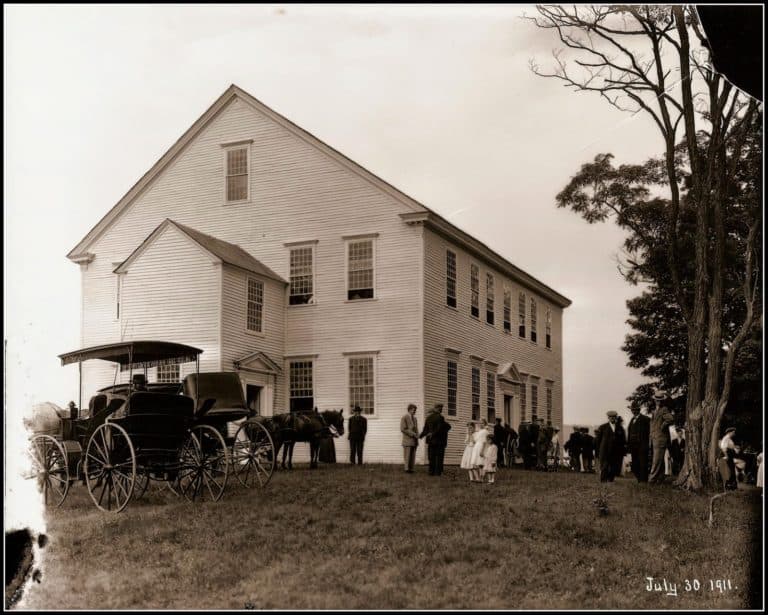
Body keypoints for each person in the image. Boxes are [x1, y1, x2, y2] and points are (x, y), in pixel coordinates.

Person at [648, 390, 676, 484]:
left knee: (656, 460)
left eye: (660, 400)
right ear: (654, 400)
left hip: (660, 439)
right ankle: (659, 479)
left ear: (662, 401)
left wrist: (663, 425)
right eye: (656, 400)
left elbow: (671, 419)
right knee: (658, 460)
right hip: (655, 439)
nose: (658, 402)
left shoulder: (664, 409)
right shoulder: (654, 411)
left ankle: (651, 480)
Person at [419, 403, 451, 476]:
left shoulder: (428, 418)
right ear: (438, 409)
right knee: (439, 457)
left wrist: (420, 436)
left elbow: (425, 429)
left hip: (431, 441)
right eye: (441, 408)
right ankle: (438, 472)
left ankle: (431, 472)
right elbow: (439, 429)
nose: (441, 410)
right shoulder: (440, 417)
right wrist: (447, 426)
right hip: (439, 441)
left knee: (431, 457)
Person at [595, 411, 623, 482]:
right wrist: (597, 451)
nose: (612, 418)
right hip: (605, 450)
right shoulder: (603, 427)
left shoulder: (620, 428)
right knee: (604, 466)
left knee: (613, 466)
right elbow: (598, 440)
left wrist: (622, 451)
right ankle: (603, 480)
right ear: (608, 418)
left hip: (615, 451)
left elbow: (623, 440)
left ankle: (611, 480)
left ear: (616, 418)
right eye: (611, 417)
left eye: (614, 417)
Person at [627, 406, 651, 482]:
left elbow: (650, 432)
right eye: (632, 410)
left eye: (635, 409)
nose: (633, 411)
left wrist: (648, 443)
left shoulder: (645, 419)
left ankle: (643, 480)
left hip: (642, 445)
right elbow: (630, 433)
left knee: (643, 463)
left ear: (639, 410)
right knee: (634, 464)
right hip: (633, 446)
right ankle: (639, 479)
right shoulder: (632, 420)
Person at [400, 403, 419, 473]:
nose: (414, 411)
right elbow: (403, 429)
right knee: (407, 455)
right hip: (407, 440)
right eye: (413, 410)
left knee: (413, 455)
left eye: (415, 410)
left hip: (414, 440)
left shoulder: (415, 418)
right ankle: (407, 469)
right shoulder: (404, 417)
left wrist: (417, 435)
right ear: (409, 410)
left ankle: (412, 469)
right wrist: (413, 434)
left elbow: (416, 428)